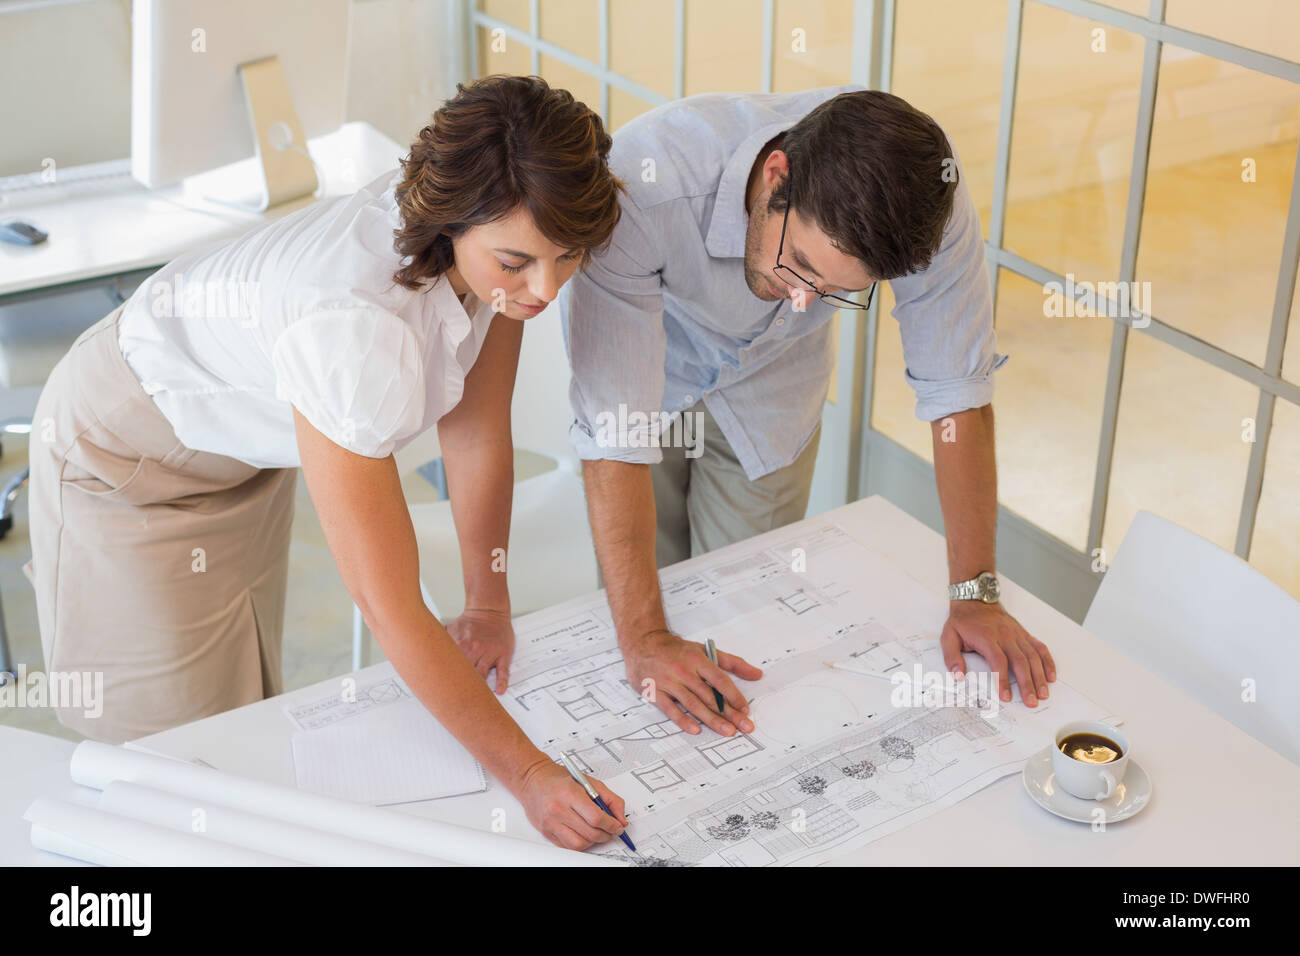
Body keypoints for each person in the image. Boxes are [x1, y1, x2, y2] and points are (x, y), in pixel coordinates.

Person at [25, 74, 630, 850]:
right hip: (125, 455)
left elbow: (476, 430)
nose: (544, 289)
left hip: (240, 449)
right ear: (454, 224)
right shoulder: (352, 325)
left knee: (241, 709)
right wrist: (528, 774)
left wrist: (488, 604)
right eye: (518, 263)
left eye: (567, 255)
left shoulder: (499, 245)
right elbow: (387, 605)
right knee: (168, 757)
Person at [538, 86, 1057, 738]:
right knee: (647, 625)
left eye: (839, 291)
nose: (807, 302)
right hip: (650, 373)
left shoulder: (929, 199)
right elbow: (615, 430)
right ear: (776, 175)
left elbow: (958, 394)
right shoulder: (646, 183)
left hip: (773, 396)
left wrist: (974, 596)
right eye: (801, 265)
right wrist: (644, 639)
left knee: (746, 617)